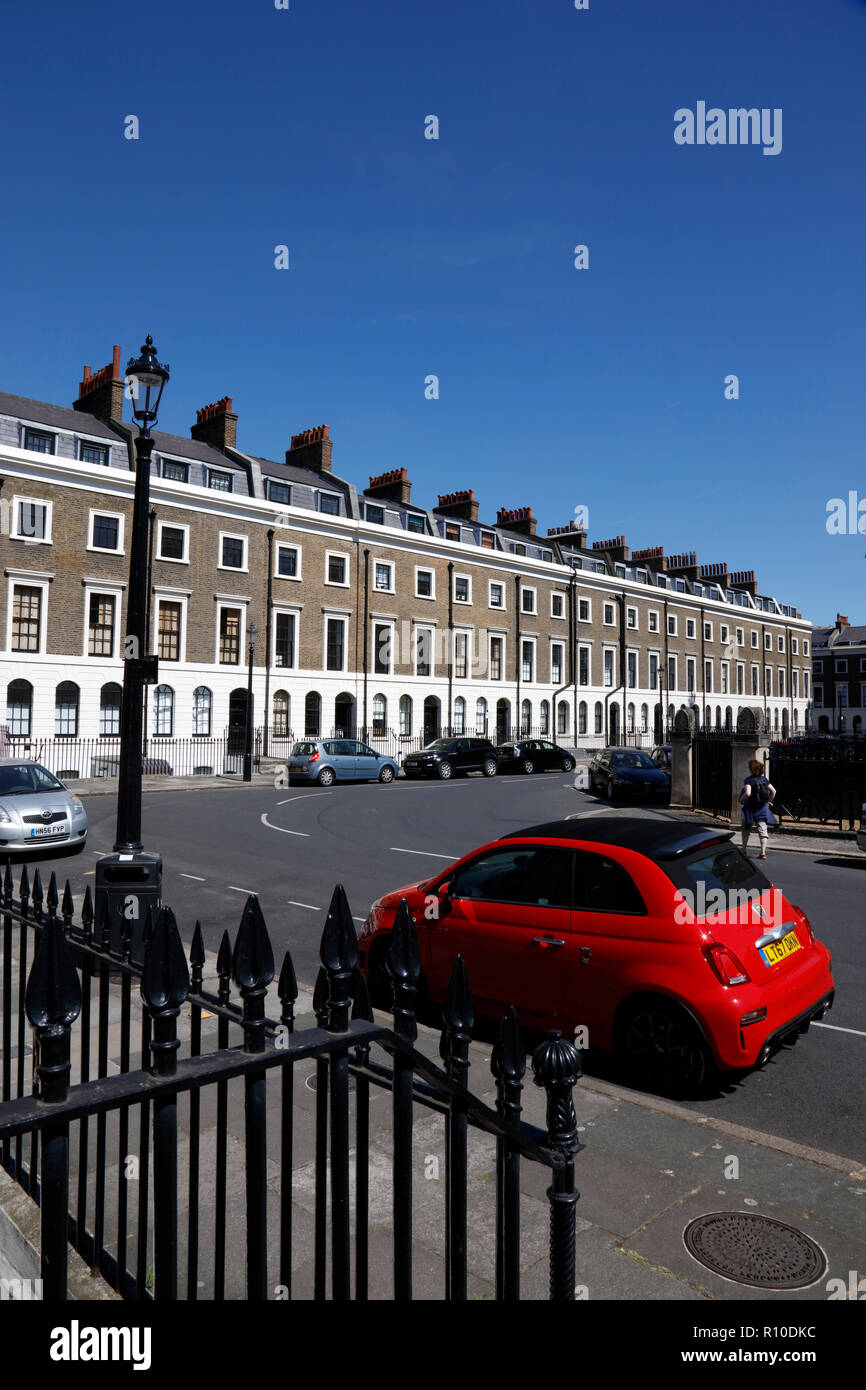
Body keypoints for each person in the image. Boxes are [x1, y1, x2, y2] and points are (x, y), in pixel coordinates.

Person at [739, 759, 777, 859]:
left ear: (751, 769)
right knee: (763, 830)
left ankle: (744, 850)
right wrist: (769, 801)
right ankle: (763, 852)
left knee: (746, 829)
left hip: (750, 808)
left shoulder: (749, 780)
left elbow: (748, 793)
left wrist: (741, 799)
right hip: (762, 808)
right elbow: (774, 791)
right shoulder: (764, 779)